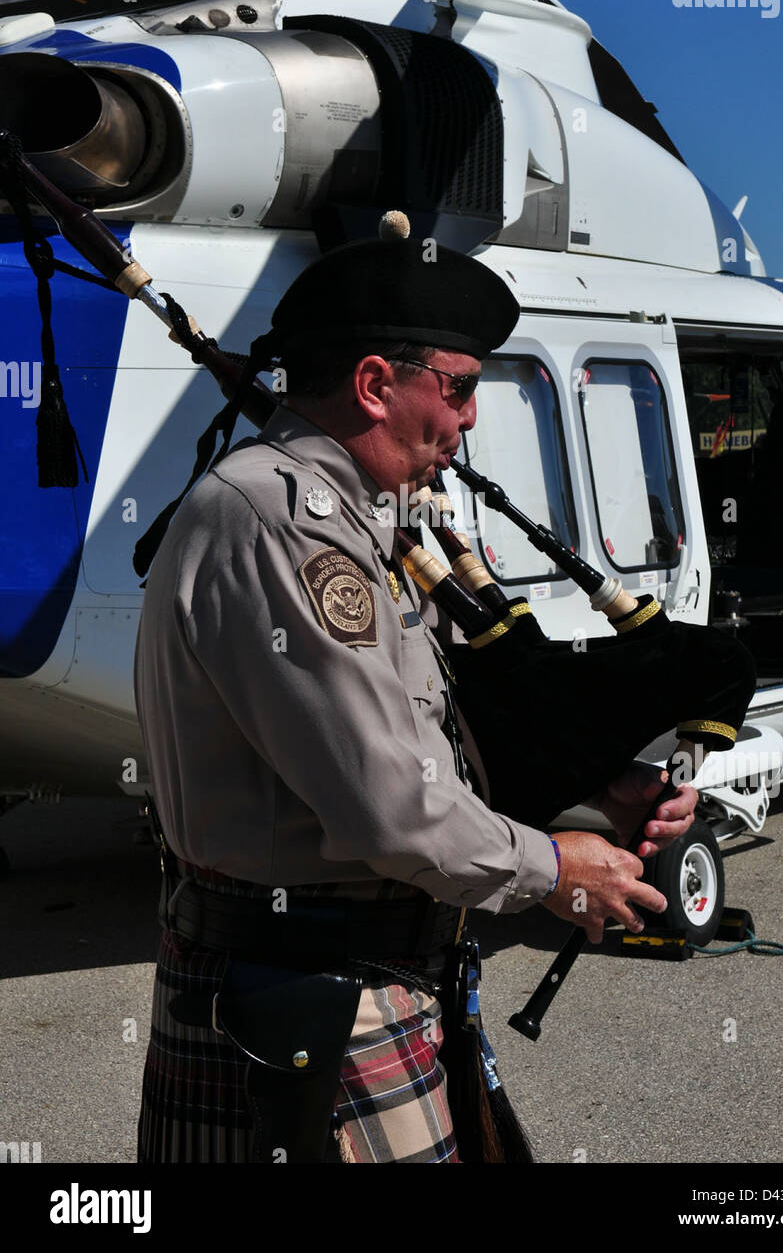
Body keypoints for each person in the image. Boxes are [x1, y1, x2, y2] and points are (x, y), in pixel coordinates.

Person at [133, 234, 697, 1164]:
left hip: (360, 976)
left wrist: (594, 795)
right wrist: (554, 868)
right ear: (372, 385)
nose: (470, 418)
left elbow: (416, 741)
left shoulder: (350, 513)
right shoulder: (281, 521)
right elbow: (389, 808)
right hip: (309, 992)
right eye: (461, 386)